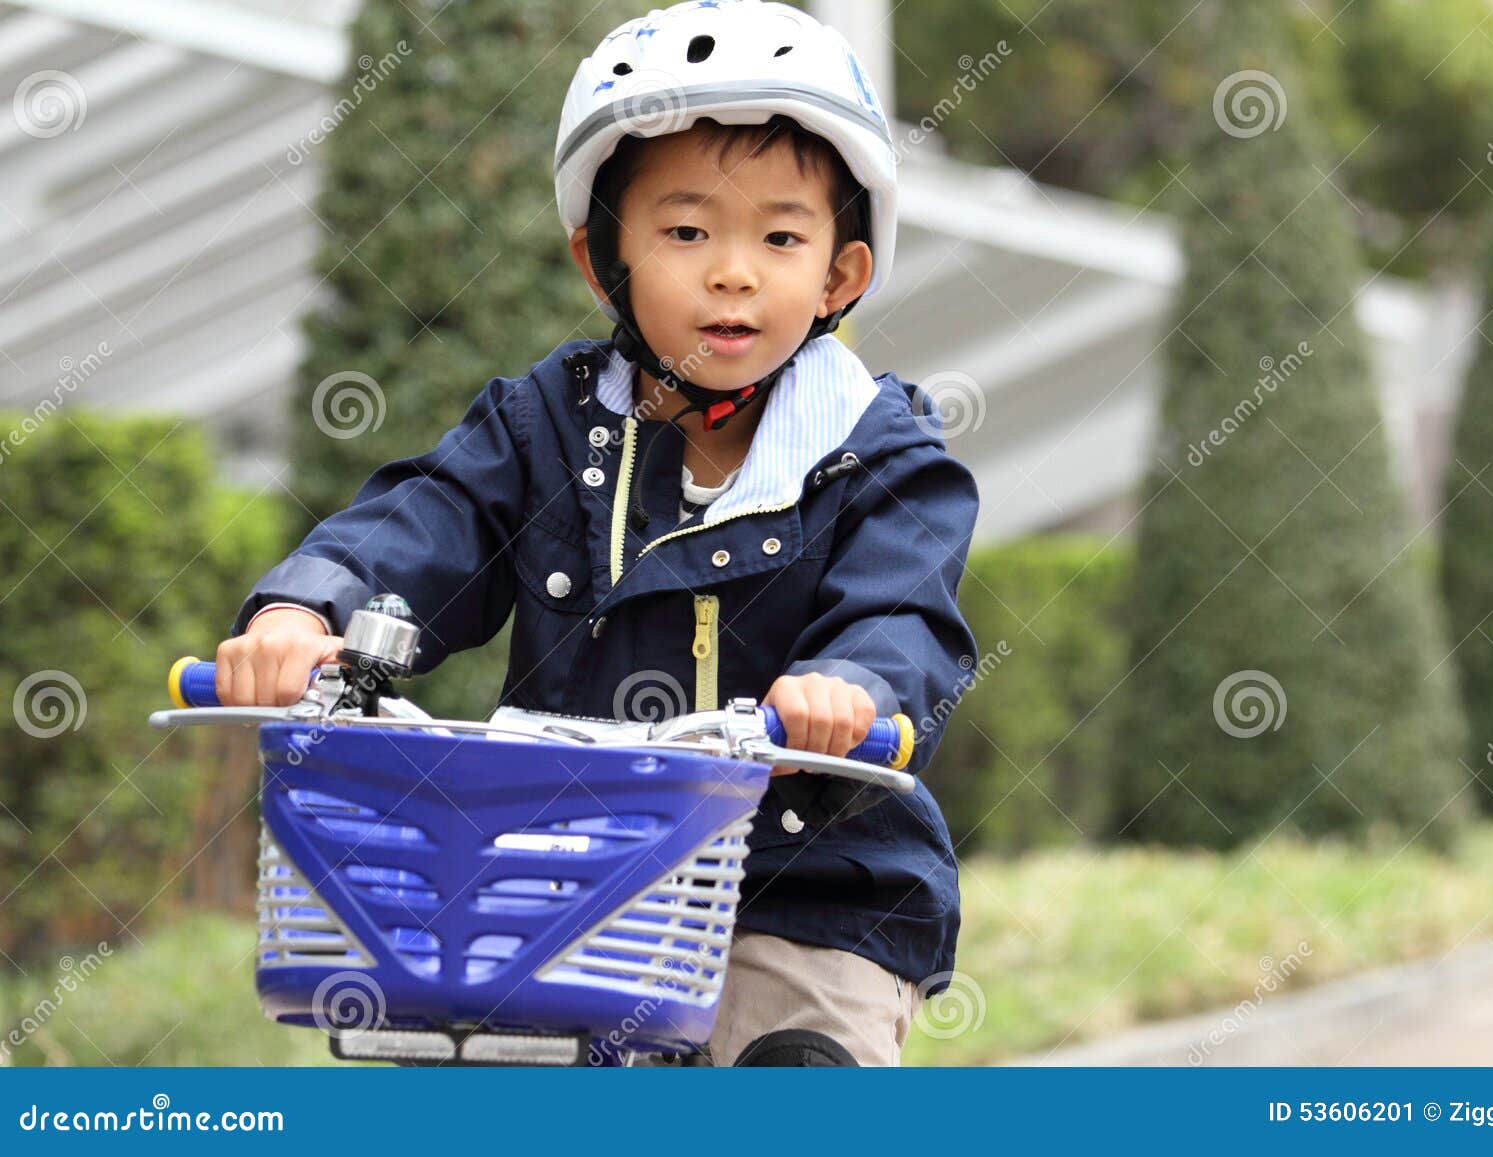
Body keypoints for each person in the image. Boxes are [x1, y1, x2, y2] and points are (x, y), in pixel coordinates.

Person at [215, 0, 979, 1067]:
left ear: (841, 274)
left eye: (780, 235)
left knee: (796, 1061)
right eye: (684, 230)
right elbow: (430, 518)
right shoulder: (540, 426)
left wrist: (854, 685)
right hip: (562, 878)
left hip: (803, 892)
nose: (733, 270)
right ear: (600, 258)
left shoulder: (886, 458)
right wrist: (309, 608)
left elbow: (905, 615)